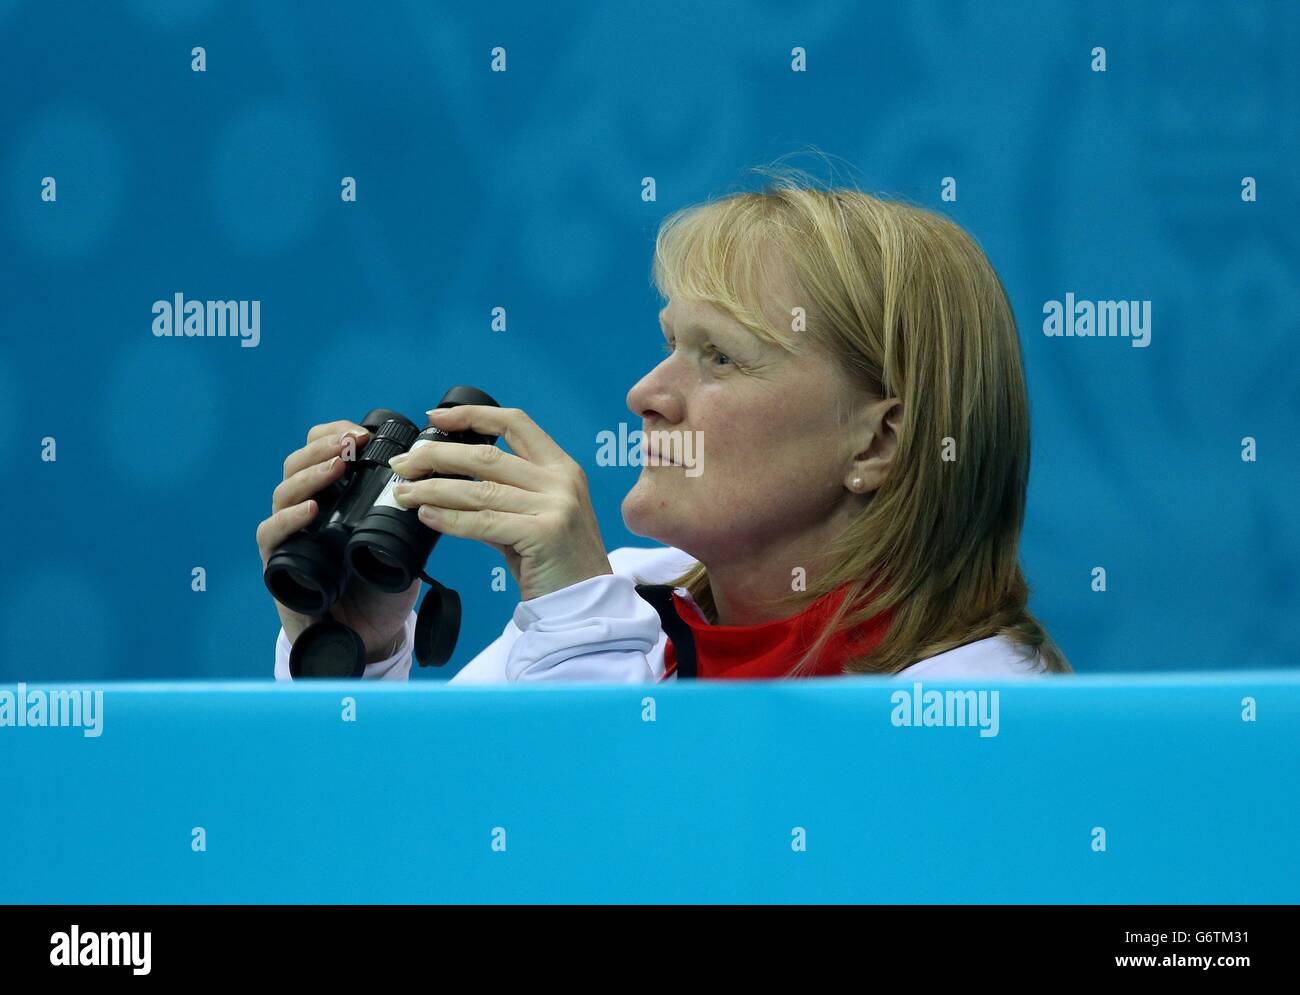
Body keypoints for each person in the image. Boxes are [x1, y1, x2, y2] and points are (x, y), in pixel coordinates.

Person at [258, 168, 1071, 682]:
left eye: (719, 357)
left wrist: (582, 633)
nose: (646, 393)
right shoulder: (629, 605)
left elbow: (606, 869)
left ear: (879, 441)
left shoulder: (982, 708)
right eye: (668, 344)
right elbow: (407, 856)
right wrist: (354, 654)